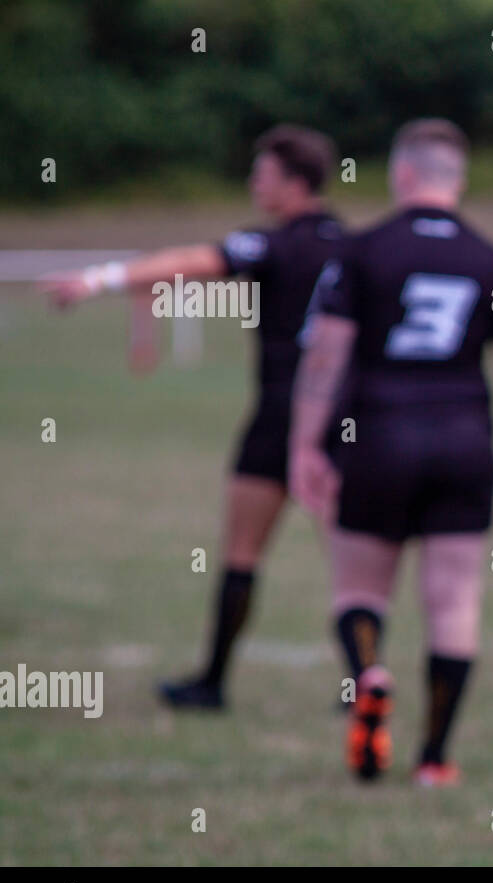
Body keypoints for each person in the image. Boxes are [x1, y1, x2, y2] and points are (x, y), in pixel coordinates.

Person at [290, 119, 493, 785]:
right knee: (453, 602)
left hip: (378, 435)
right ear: (459, 180)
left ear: (403, 174)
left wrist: (305, 443)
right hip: (464, 442)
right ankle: (437, 758)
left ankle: (370, 674)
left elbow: (325, 354)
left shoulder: (360, 252)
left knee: (359, 586)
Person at [44, 125, 344, 710]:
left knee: (241, 552)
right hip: (340, 423)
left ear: (294, 183)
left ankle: (212, 682)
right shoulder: (354, 246)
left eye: (263, 173)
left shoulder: (273, 245)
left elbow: (192, 262)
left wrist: (97, 279)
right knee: (353, 564)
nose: (255, 182)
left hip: (279, 416)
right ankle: (363, 684)